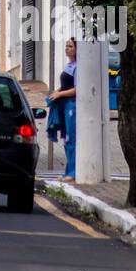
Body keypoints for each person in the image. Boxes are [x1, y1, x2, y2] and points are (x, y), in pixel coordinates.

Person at [48, 38, 77, 180]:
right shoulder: (69, 66)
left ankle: (73, 172)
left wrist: (60, 93)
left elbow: (77, 89)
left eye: (70, 46)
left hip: (72, 104)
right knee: (65, 137)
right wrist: (56, 92)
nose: (67, 48)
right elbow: (65, 85)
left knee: (71, 138)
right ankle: (67, 171)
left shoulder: (78, 67)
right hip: (63, 104)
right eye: (66, 46)